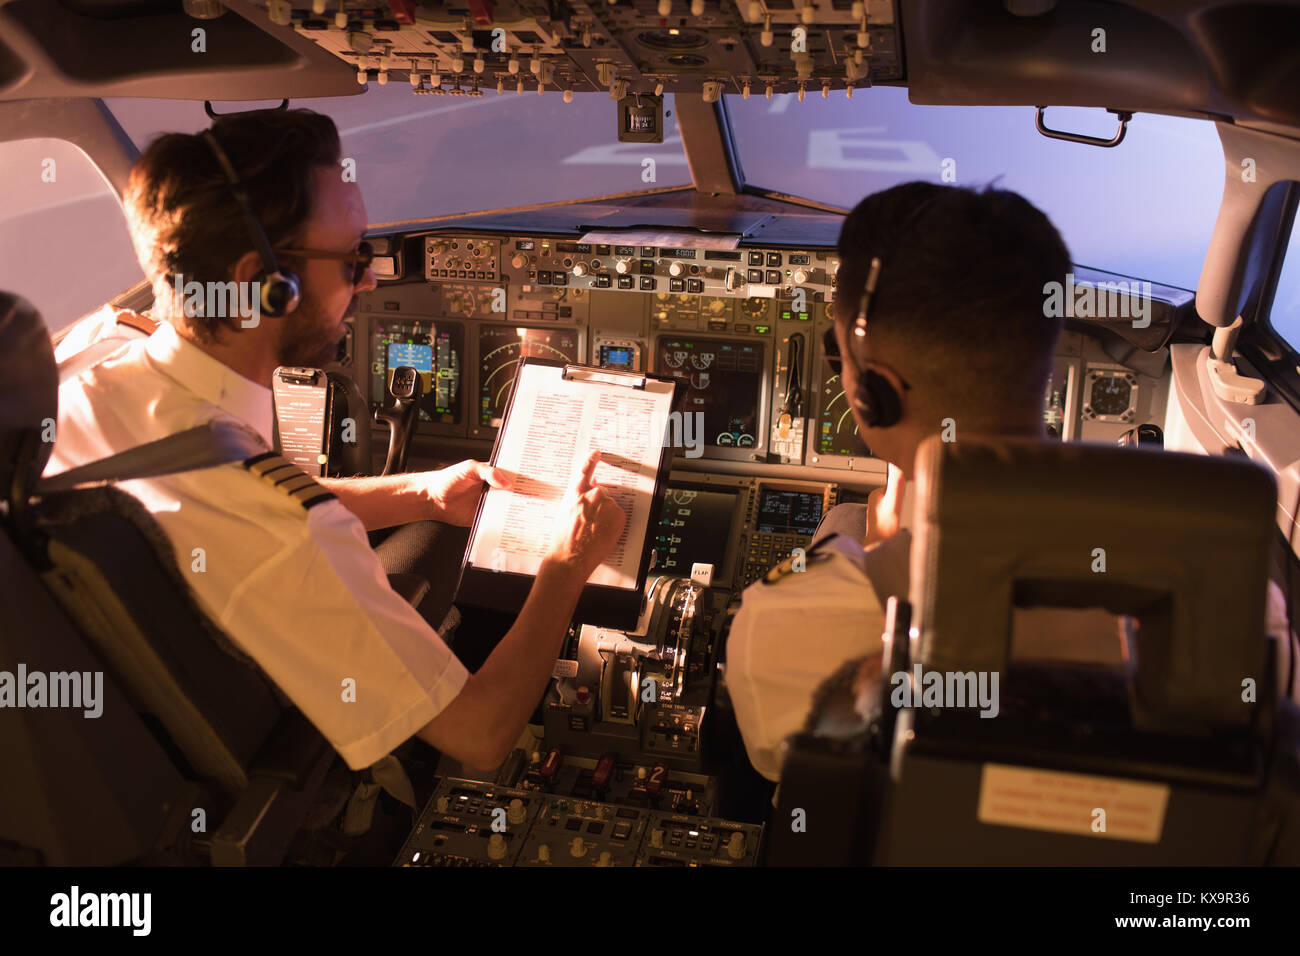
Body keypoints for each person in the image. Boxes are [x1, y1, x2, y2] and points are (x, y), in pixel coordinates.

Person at [47, 107, 626, 777]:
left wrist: (421, 493)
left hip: (108, 746)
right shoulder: (286, 535)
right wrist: (566, 567)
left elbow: (226, 495)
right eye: (353, 260)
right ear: (258, 284)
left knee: (436, 533)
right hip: (269, 787)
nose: (374, 280)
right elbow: (484, 731)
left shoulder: (90, 361)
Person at [726, 181, 1296, 783]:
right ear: (1045, 363)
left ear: (875, 390)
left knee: (842, 521)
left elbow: (773, 762)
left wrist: (880, 550)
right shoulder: (1249, 617)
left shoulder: (776, 625)